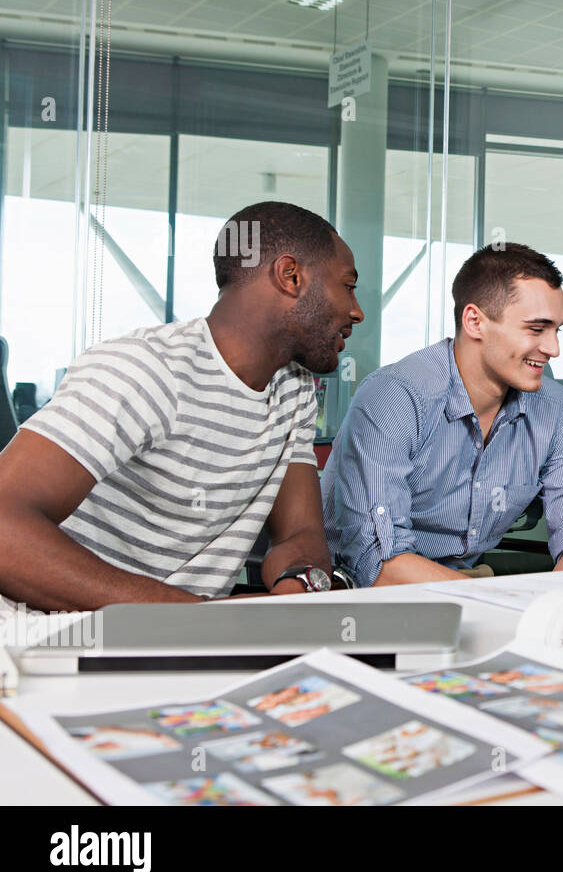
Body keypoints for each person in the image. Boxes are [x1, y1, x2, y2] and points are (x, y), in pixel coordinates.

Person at [0, 201, 365, 610]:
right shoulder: (143, 369)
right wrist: (194, 621)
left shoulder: (292, 388)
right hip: (47, 640)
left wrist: (299, 585)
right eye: (348, 286)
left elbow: (299, 534)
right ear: (290, 276)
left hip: (180, 644)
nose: (357, 311)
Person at [322, 242, 563, 585]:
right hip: (354, 594)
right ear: (475, 321)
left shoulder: (557, 409)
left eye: (557, 329)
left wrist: (558, 608)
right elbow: (378, 561)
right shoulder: (395, 397)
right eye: (536, 329)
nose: (554, 348)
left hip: (466, 586)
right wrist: (504, 604)